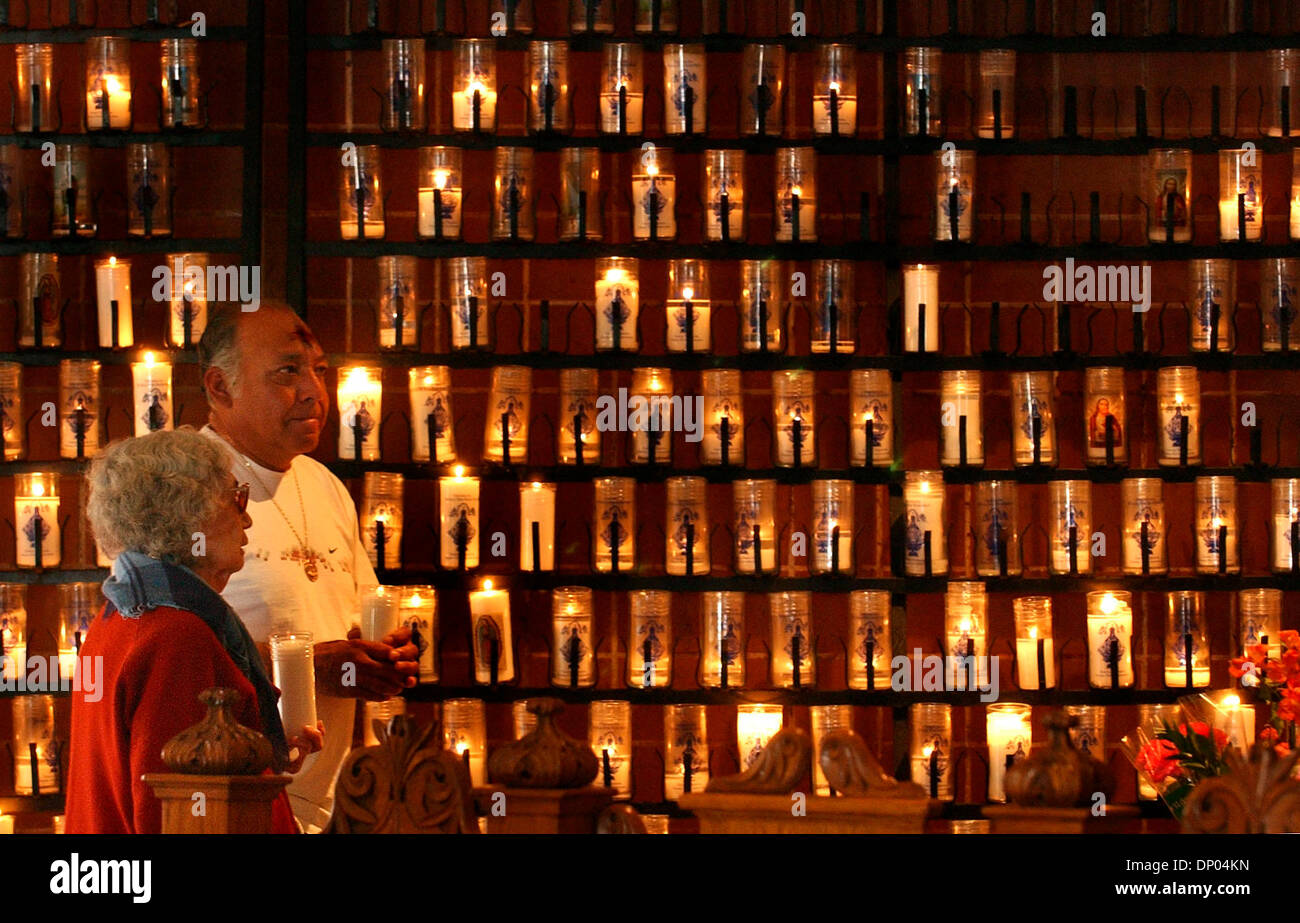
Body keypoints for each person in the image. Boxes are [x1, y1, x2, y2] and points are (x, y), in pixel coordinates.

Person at [198, 303, 417, 832]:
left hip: (333, 799)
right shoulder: (182, 486)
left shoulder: (324, 485)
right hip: (229, 800)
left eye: (319, 370)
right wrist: (311, 667)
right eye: (287, 371)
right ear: (221, 387)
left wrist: (386, 655)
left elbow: (360, 614)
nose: (315, 392)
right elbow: (166, 649)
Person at [68, 429, 323, 834]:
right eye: (235, 497)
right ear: (188, 515)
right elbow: (177, 813)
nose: (248, 516)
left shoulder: (121, 616)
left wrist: (257, 755)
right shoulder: (176, 637)